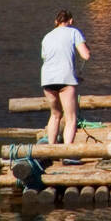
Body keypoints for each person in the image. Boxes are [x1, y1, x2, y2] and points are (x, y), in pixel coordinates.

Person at [40, 9, 90, 158]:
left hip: (47, 80)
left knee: (55, 115)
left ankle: (50, 150)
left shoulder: (47, 37)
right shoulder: (74, 32)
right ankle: (68, 154)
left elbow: (48, 59)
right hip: (66, 80)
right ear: (71, 21)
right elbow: (85, 55)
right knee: (71, 117)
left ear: (56, 22)